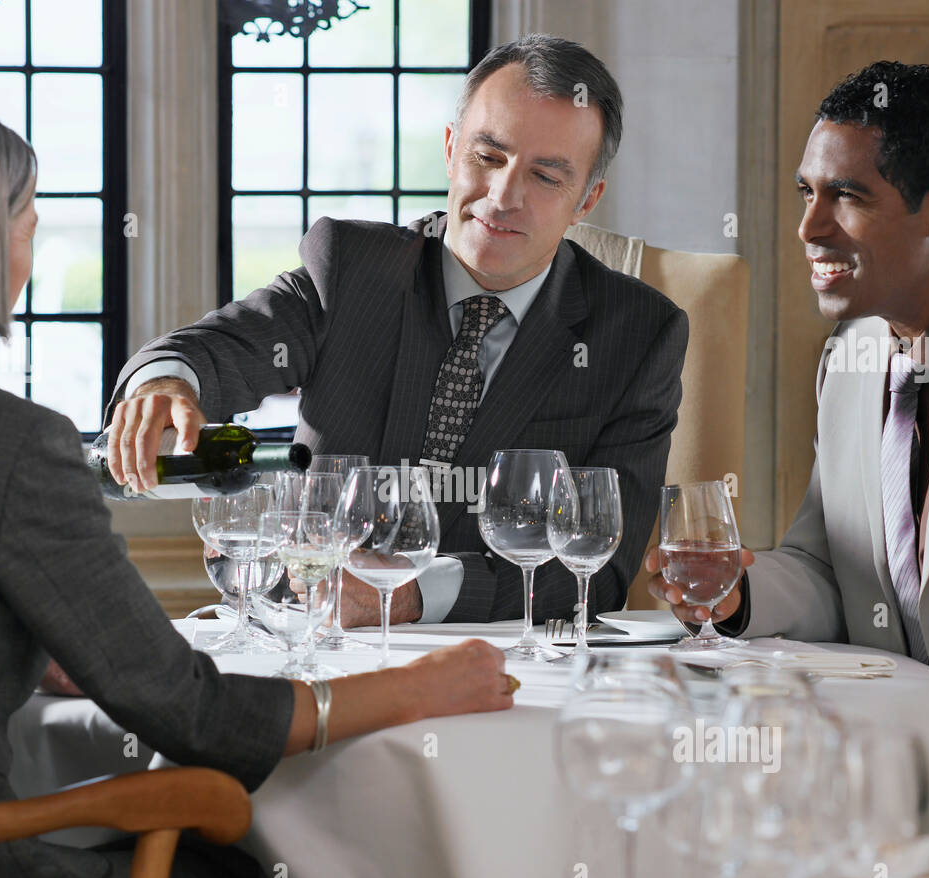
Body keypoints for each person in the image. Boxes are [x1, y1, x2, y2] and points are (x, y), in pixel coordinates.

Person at [0, 98, 513, 878]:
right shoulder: (15, 445)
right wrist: (409, 690)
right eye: (26, 222)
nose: (31, 250)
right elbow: (189, 712)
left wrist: (15, 646)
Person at [646, 62, 929, 878]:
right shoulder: (850, 360)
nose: (809, 227)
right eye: (806, 193)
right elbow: (825, 564)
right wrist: (741, 592)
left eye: (846, 196)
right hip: (887, 782)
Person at [104, 34, 688, 628]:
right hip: (310, 644)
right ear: (450, 148)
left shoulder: (638, 335)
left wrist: (411, 593)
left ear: (587, 198)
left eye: (545, 176)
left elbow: (603, 567)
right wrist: (166, 385)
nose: (502, 197)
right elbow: (213, 351)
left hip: (507, 668)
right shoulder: (353, 271)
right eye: (487, 157)